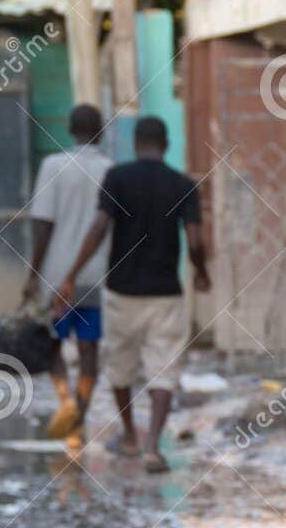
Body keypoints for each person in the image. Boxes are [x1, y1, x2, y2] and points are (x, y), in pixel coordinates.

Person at [59, 114, 210, 474]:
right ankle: (154, 447)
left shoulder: (118, 178)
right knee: (164, 369)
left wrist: (71, 275)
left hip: (122, 290)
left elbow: (98, 228)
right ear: (166, 145)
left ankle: (129, 436)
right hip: (165, 293)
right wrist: (202, 272)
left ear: (137, 143)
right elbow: (194, 239)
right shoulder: (183, 185)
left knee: (121, 367)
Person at [23, 104, 111, 444]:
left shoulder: (52, 166)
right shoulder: (110, 170)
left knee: (53, 346)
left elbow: (42, 224)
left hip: (57, 278)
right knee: (89, 350)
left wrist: (33, 273)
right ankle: (79, 418)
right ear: (100, 132)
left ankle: (66, 402)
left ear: (70, 130)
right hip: (97, 275)